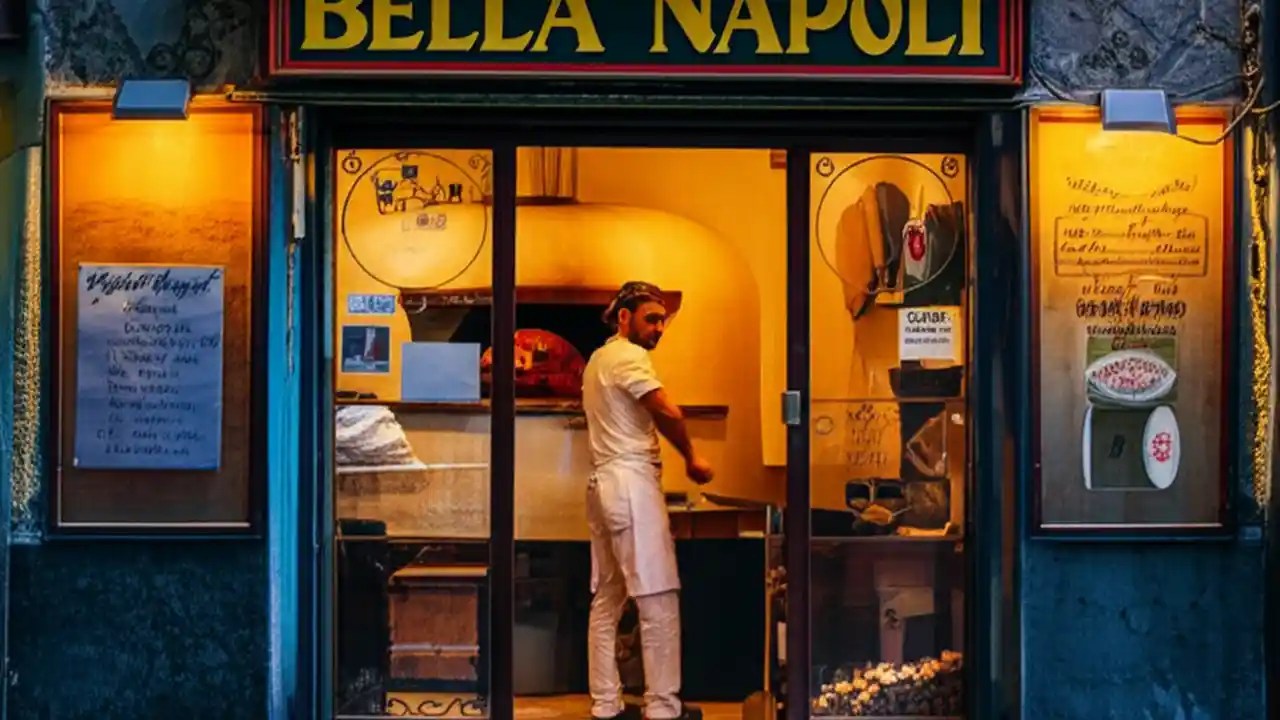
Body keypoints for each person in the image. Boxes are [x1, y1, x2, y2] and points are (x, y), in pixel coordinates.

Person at [582, 281, 713, 720]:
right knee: (658, 598)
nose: (659, 328)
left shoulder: (597, 360)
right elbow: (667, 410)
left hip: (602, 484)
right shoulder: (627, 356)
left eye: (662, 321)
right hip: (630, 483)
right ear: (624, 317)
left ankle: (605, 705)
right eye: (651, 319)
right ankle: (662, 707)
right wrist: (693, 456)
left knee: (609, 598)